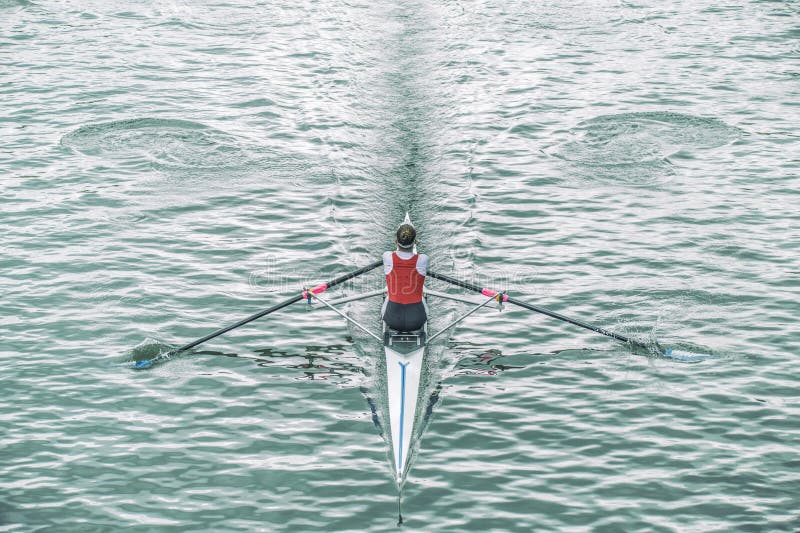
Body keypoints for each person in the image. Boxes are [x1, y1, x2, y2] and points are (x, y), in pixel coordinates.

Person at [382, 222, 428, 332]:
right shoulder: (424, 259)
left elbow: (396, 253)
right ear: (415, 242)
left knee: (387, 292)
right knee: (422, 293)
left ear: (396, 242)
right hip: (417, 320)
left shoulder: (387, 256)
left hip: (392, 320)